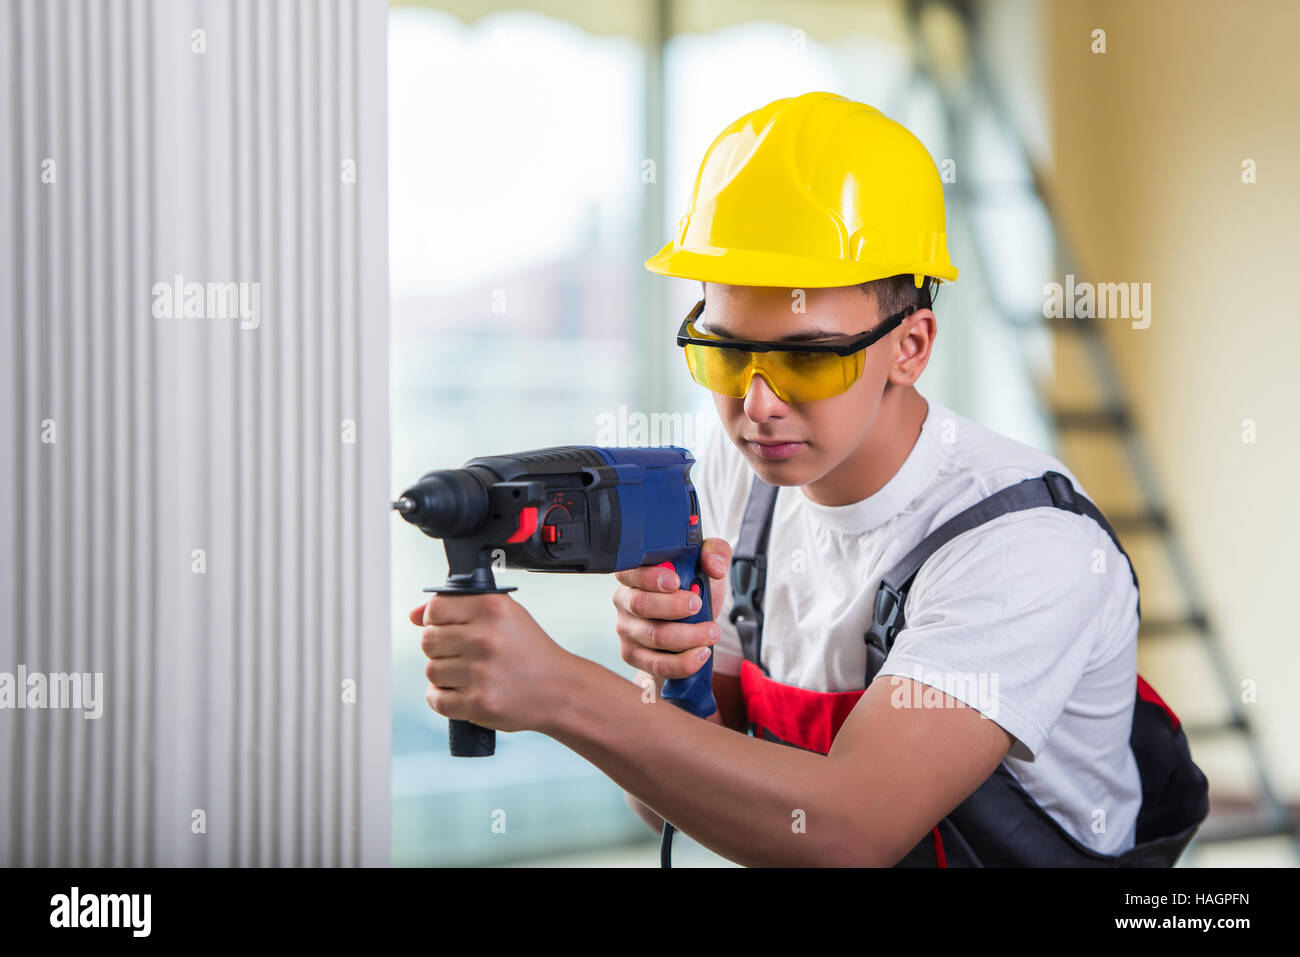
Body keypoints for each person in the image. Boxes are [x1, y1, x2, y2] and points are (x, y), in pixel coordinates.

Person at [415, 92, 1206, 866]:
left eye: (805, 357)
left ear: (911, 346)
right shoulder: (744, 470)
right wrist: (669, 676)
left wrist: (560, 690)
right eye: (725, 353)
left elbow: (849, 830)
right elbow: (668, 800)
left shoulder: (1020, 542)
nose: (757, 405)